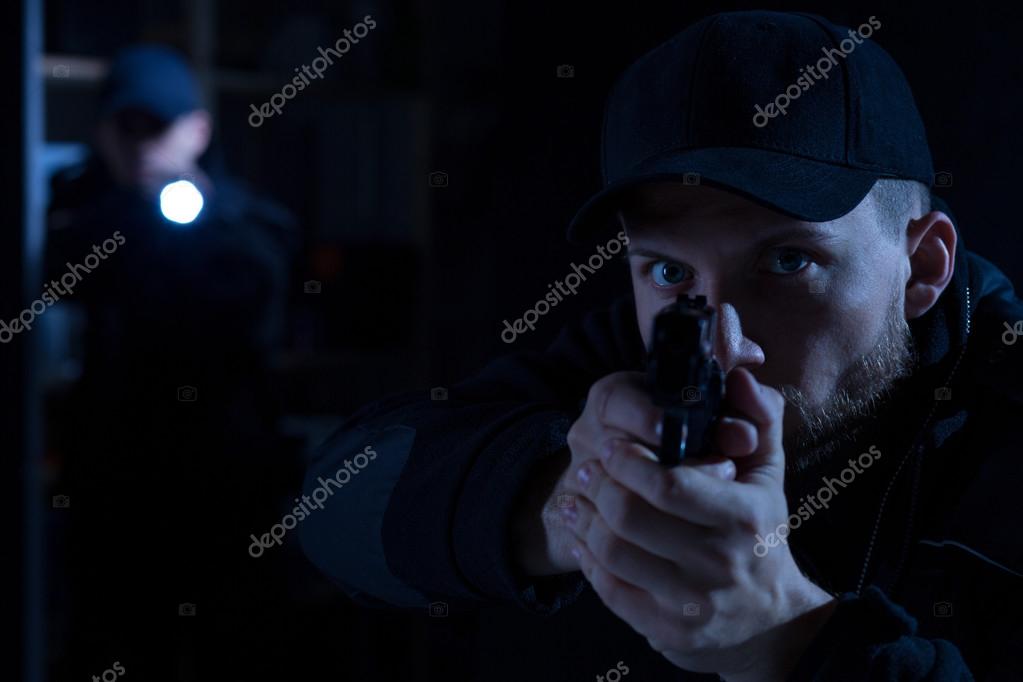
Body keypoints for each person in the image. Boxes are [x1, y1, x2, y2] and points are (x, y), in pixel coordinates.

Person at [298, 12, 1023, 681]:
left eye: (788, 262)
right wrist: (576, 502)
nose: (725, 344)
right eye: (671, 272)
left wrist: (789, 640)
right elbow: (333, 507)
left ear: (922, 266)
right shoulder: (635, 360)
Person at [47, 45, 296, 680]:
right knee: (115, 645)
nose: (142, 145)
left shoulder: (243, 219)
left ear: (198, 130)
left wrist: (203, 215)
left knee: (233, 647)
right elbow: (60, 272)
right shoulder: (83, 214)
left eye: (157, 126)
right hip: (115, 487)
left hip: (225, 482)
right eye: (125, 127)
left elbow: (260, 300)